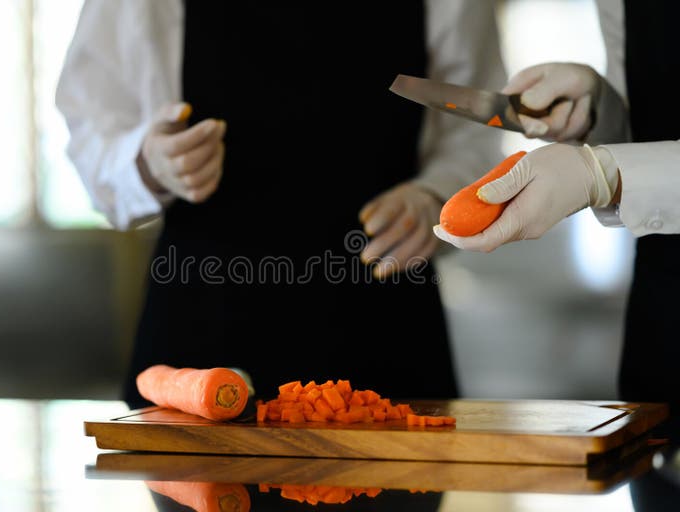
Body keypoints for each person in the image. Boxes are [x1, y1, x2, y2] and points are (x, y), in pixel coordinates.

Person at [56, 1, 507, 406]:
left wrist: (435, 194)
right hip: (200, 338)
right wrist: (149, 161)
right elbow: (91, 131)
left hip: (387, 337)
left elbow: (478, 125)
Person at [433, 0, 679, 440]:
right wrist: (600, 111)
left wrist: (603, 174)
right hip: (662, 340)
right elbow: (651, 121)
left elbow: (622, 168)